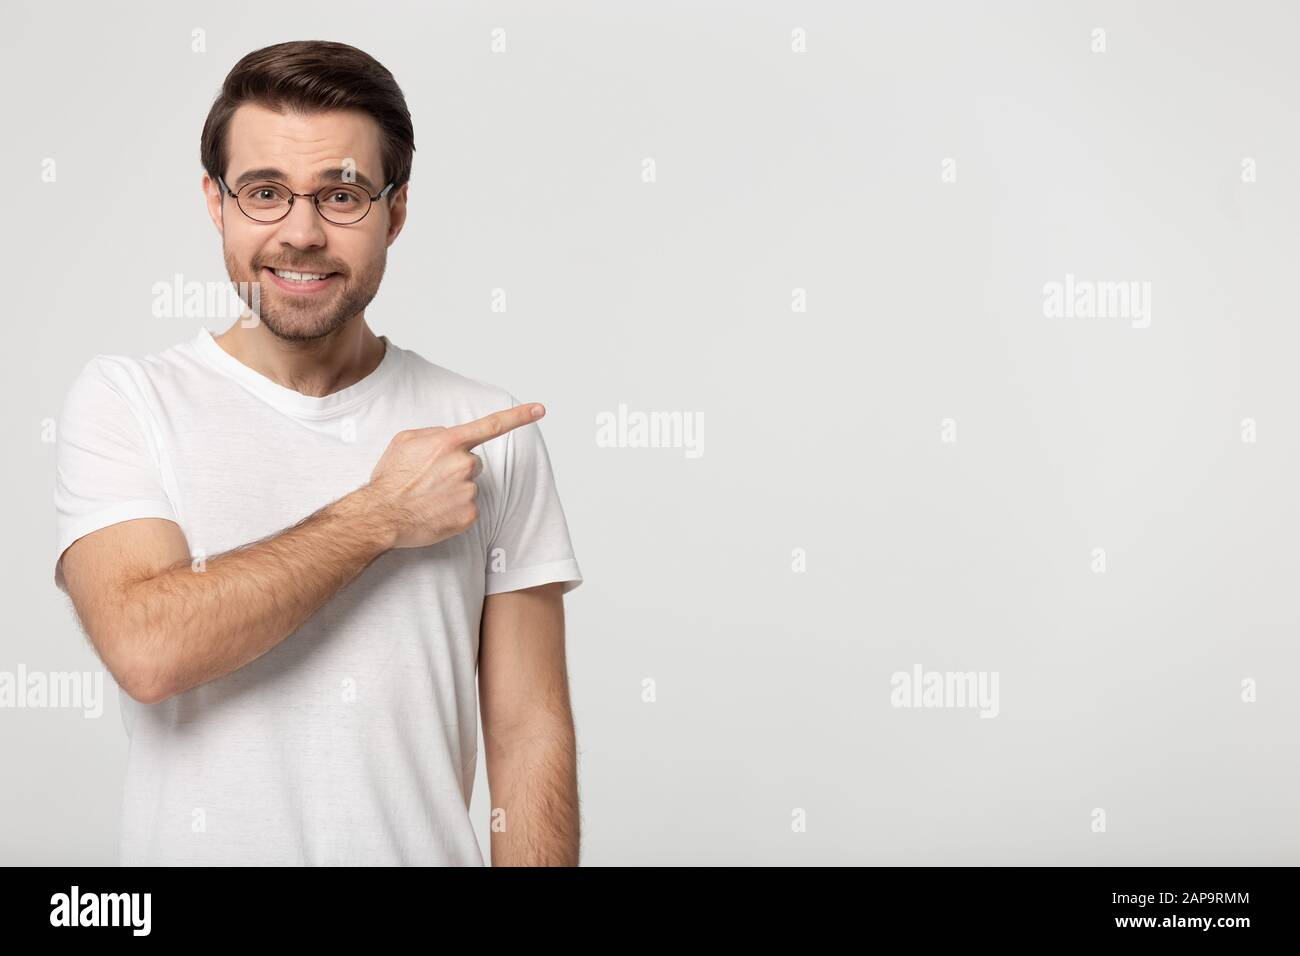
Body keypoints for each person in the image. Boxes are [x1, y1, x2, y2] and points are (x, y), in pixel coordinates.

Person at [52, 40, 583, 866]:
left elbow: (528, 732)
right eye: (265, 193)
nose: (300, 234)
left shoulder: (486, 429)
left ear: (395, 213)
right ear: (215, 202)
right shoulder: (127, 401)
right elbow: (146, 648)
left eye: (341, 195)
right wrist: (378, 516)